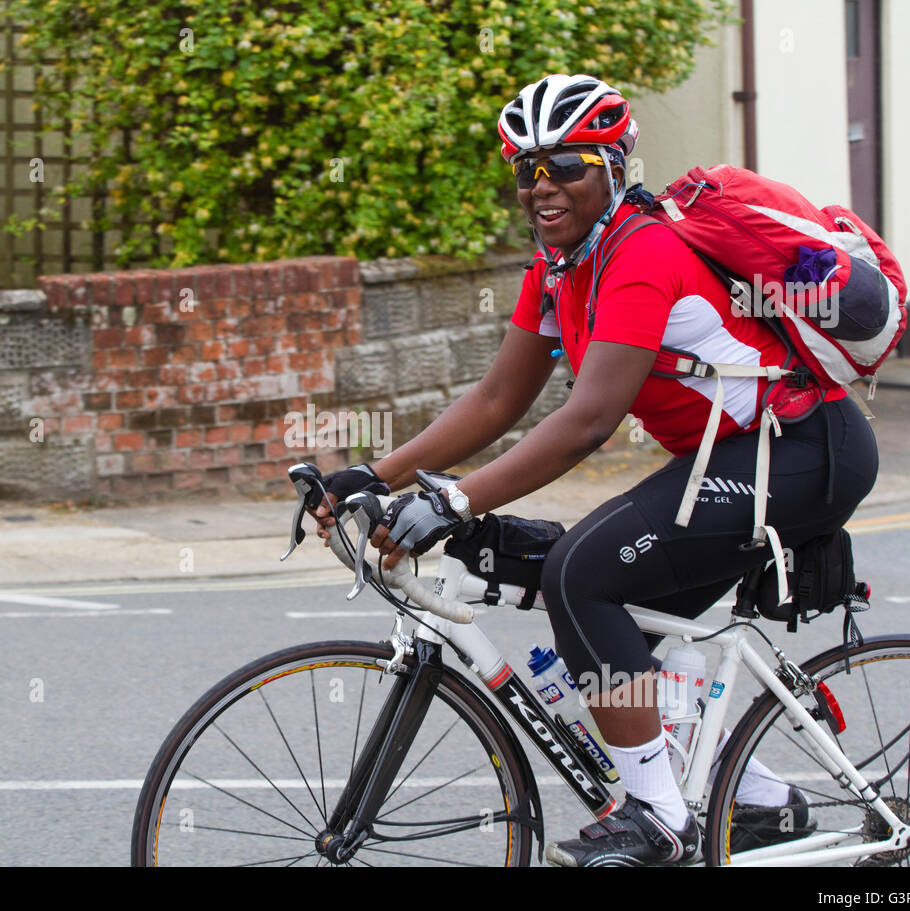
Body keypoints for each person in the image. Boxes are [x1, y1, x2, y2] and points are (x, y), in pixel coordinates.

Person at [310, 74, 880, 867]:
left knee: (583, 574)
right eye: (526, 169)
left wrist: (454, 500)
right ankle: (760, 802)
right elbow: (500, 396)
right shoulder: (559, 266)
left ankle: (658, 816)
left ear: (615, 165)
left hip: (805, 453)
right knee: (594, 604)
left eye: (568, 165)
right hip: (738, 458)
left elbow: (587, 422)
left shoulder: (641, 255)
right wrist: (377, 474)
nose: (543, 187)